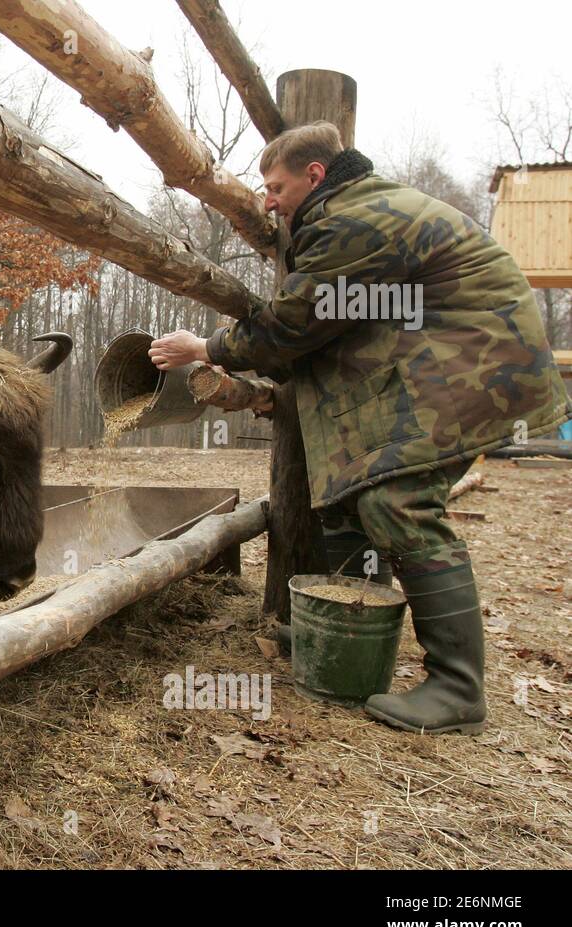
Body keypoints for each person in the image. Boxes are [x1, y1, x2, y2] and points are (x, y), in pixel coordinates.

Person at [149, 121, 572, 734]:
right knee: (348, 493)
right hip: (443, 357)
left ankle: (457, 688)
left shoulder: (355, 221)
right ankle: (345, 634)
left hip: (476, 362)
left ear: (315, 176)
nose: (266, 201)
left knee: (398, 499)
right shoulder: (346, 212)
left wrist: (206, 347)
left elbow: (295, 323)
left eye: (275, 187)